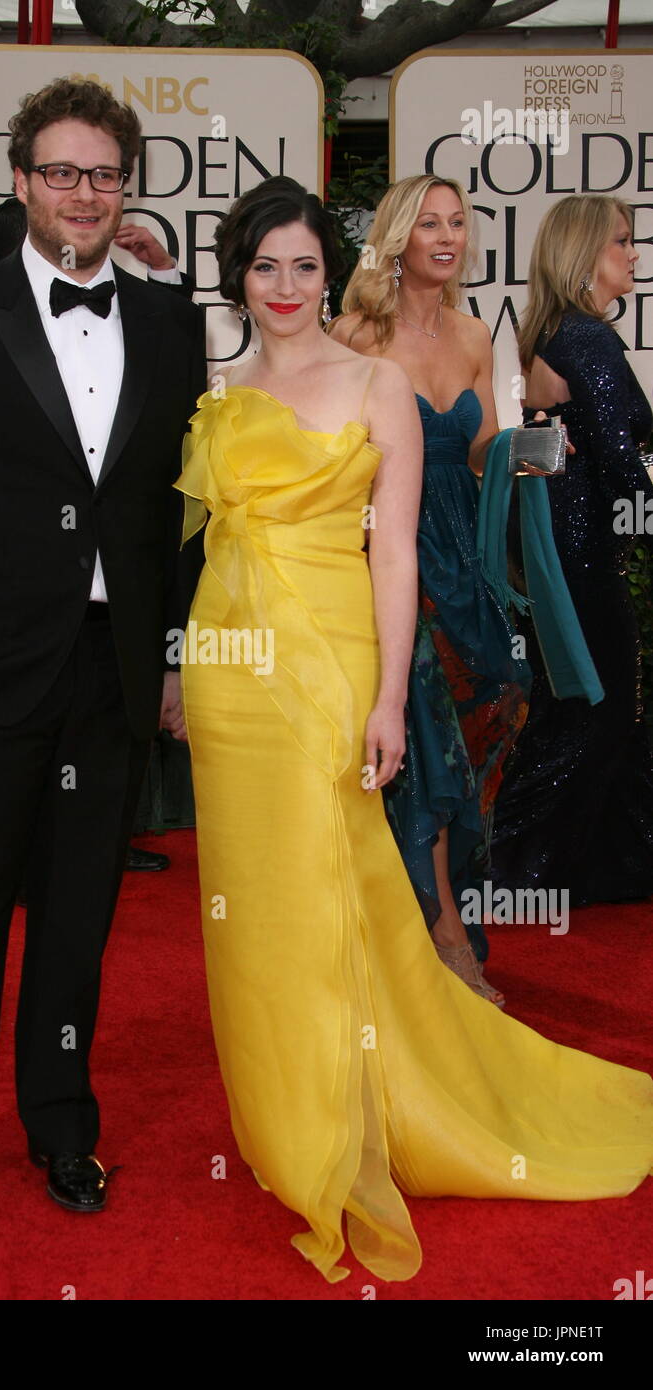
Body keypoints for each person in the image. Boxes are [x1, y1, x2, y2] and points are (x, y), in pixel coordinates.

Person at [174, 175, 653, 1285]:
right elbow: (204, 543)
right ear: (237, 276)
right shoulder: (222, 383)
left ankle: (359, 1112)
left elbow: (392, 553)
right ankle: (292, 1113)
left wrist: (389, 696)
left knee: (333, 887)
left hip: (332, 665)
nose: (285, 286)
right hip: (228, 675)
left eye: (303, 264)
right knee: (252, 907)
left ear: (326, 271)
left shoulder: (371, 383)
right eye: (264, 266)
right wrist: (183, 670)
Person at [0, 78, 205, 1246]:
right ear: (20, 182)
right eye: (62, 171)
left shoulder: (171, 326)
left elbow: (182, 512)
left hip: (107, 672)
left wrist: (168, 655)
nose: (83, 192)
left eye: (104, 173)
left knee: (76, 922)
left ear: (126, 190)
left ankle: (63, 1129)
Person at [328, 175, 531, 1008]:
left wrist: (536, 451)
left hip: (465, 555)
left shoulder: (476, 334)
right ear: (398, 239)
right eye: (428, 224)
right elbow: (337, 464)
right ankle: (445, 934)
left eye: (457, 223)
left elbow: (481, 450)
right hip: (394, 553)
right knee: (425, 739)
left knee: (503, 699)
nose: (446, 237)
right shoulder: (355, 335)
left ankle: (437, 898)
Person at [0, 192, 189, 876]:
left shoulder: (150, 324)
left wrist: (172, 655)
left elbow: (172, 491)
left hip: (117, 625)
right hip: (8, 626)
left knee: (90, 851)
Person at [491, 194, 653, 903]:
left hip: (566, 545)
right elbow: (620, 464)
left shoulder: (559, 332)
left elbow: (565, 452)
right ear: (586, 257)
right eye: (622, 242)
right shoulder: (586, 338)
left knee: (575, 707)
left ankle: (560, 866)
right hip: (583, 548)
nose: (634, 255)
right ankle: (529, 871)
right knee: (599, 708)